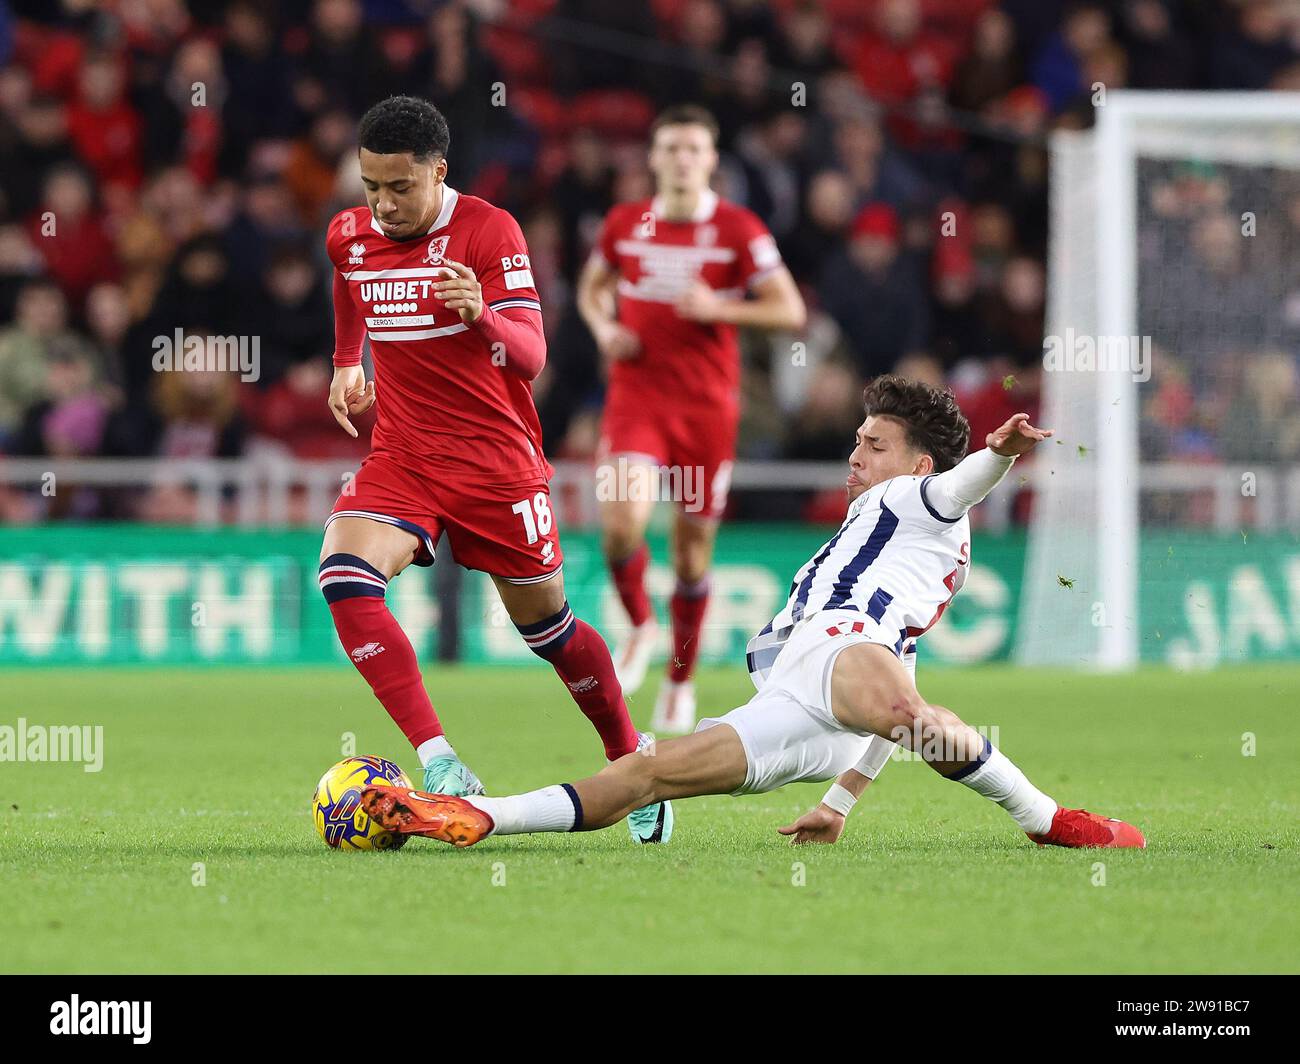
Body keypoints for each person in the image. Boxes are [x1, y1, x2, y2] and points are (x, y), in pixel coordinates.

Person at [359, 376, 1145, 852]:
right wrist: (840, 802)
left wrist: (1002, 454)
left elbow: (960, 487)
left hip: (839, 659)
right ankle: (474, 815)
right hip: (807, 709)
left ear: (917, 464)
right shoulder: (909, 542)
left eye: (873, 444)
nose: (855, 457)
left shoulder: (919, 497)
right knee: (644, 774)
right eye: (857, 442)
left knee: (904, 707)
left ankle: (1047, 818)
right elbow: (897, 679)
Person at [321, 95, 670, 844]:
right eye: (370, 186)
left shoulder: (488, 230)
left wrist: (481, 312)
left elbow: (534, 357)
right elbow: (349, 280)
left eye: (399, 188)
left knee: (548, 630)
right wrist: (347, 361)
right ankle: (441, 763)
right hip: (404, 455)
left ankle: (632, 763)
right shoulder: (350, 232)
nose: (381, 205)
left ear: (437, 171)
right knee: (344, 578)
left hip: (494, 465)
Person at [576, 104, 806, 733]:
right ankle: (642, 627)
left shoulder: (738, 229)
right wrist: (604, 328)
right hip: (637, 398)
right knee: (621, 525)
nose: (681, 159)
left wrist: (719, 308)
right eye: (670, 147)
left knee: (691, 555)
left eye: (693, 149)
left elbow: (788, 311)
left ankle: (680, 676)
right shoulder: (625, 224)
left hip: (706, 409)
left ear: (711, 159)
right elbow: (592, 286)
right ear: (653, 157)